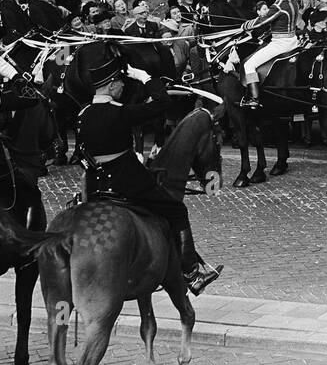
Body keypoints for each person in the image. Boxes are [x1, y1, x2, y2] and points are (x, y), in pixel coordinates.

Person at [77, 54, 221, 296]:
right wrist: (145, 78)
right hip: (127, 182)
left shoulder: (82, 115)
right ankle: (192, 272)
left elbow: (82, 152)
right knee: (176, 210)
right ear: (112, 85)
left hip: (94, 184)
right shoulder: (121, 112)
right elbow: (162, 102)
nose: (123, 87)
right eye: (121, 83)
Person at [239, 0, 301, 107]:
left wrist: (244, 25)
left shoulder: (278, 5)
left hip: (281, 44)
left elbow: (261, 22)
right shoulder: (294, 1)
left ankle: (254, 99)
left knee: (248, 65)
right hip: (294, 41)